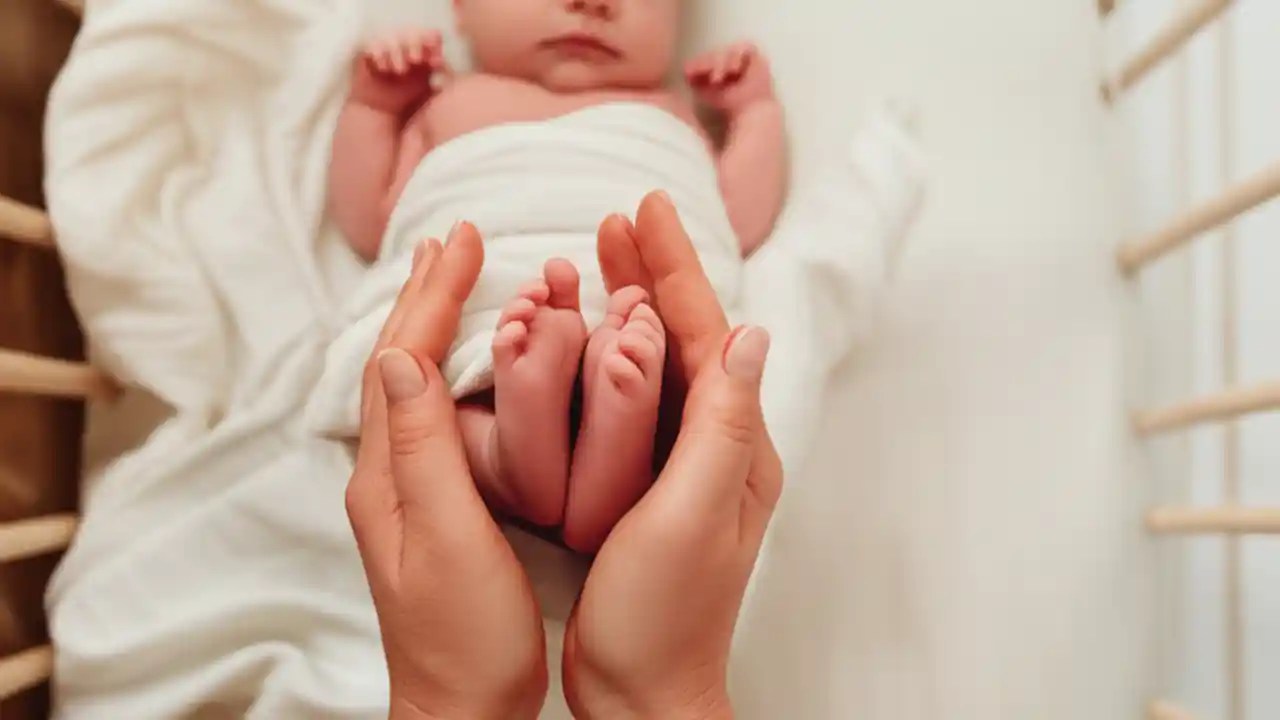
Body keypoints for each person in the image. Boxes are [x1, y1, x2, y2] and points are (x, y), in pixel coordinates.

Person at [344, 192, 783, 719]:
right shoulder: (437, 110)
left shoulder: (445, 114)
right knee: (684, 423)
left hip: (494, 300)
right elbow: (748, 216)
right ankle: (610, 468)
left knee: (425, 423)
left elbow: (365, 216)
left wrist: (443, 702)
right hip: (627, 315)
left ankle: (516, 459)